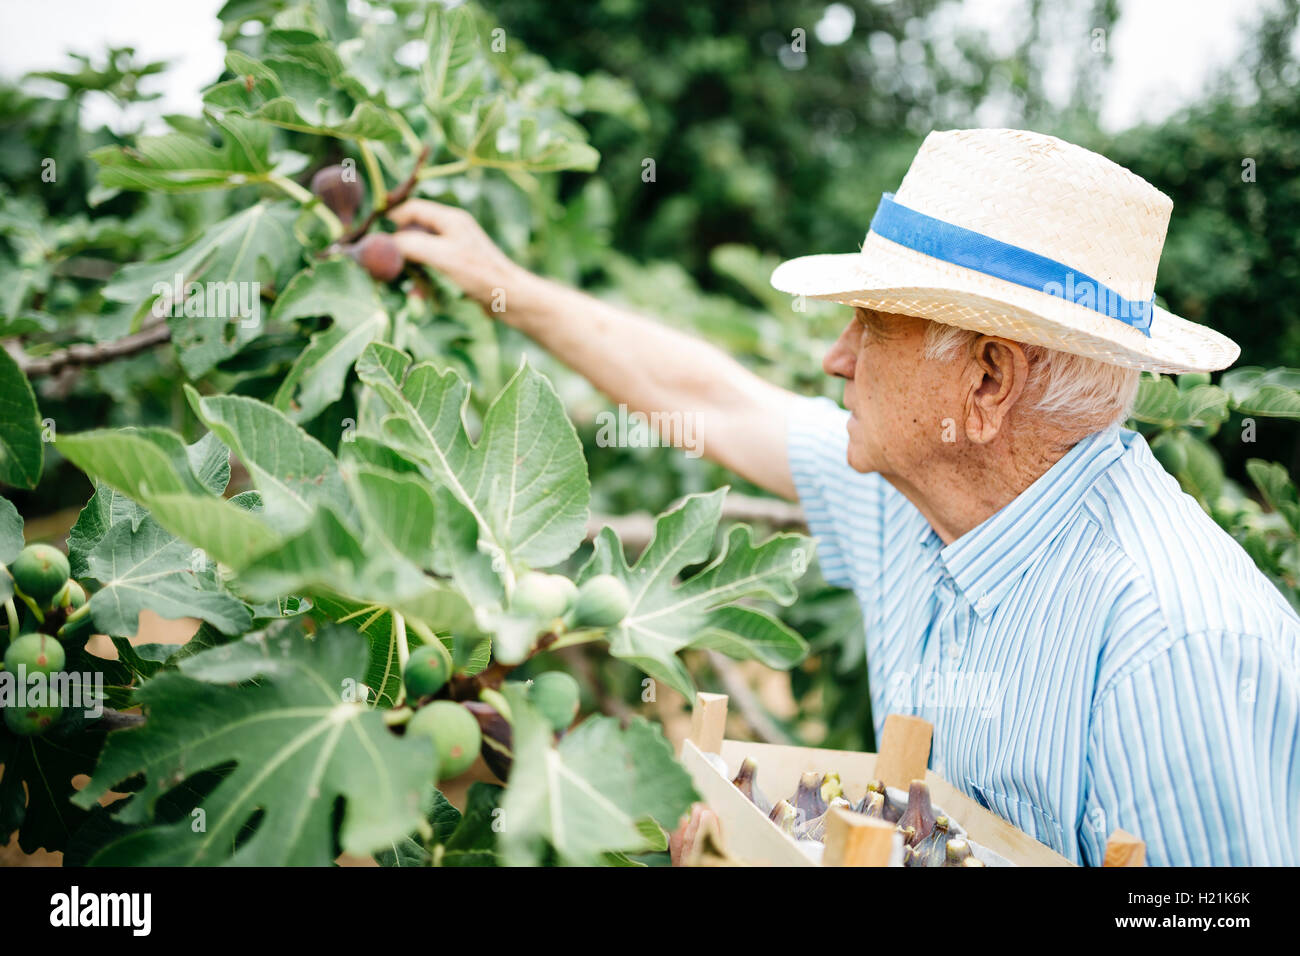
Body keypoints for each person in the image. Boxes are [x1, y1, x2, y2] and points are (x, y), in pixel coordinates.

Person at [390, 128, 1300, 866]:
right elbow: (717, 401)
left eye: (872, 326)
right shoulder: (921, 499)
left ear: (986, 383)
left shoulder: (1178, 644)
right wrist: (501, 283)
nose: (837, 358)